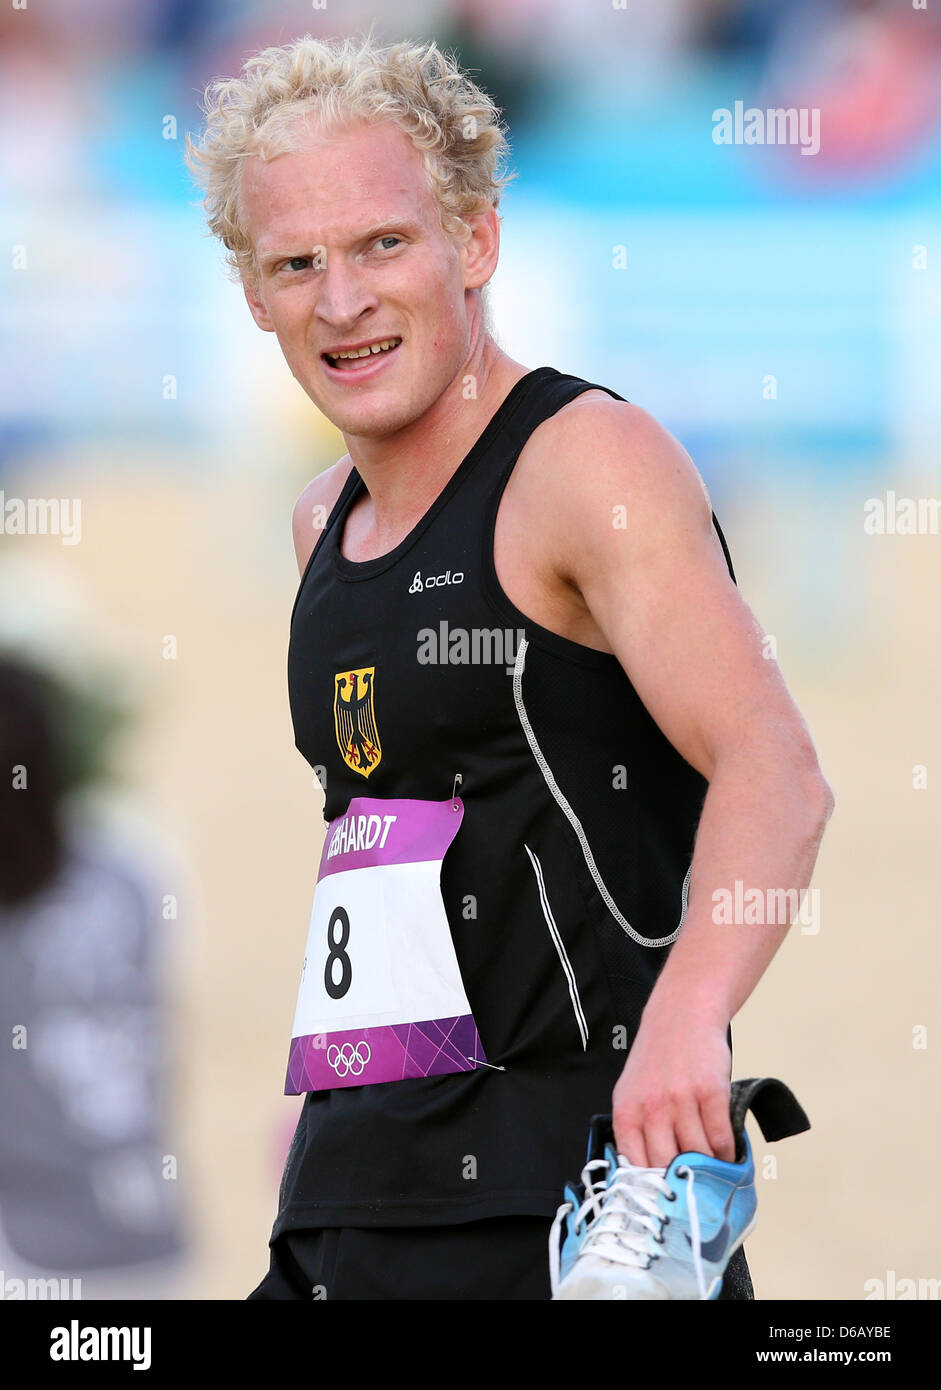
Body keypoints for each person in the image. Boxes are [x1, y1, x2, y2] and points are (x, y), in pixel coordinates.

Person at [185, 32, 834, 1301]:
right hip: (351, 1185)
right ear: (252, 294)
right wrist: (328, 1087)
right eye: (295, 264)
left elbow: (775, 767)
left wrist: (687, 1023)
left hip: (574, 1194)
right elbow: (393, 846)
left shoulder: (582, 465)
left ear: (473, 243)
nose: (341, 300)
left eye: (383, 244)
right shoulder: (321, 522)